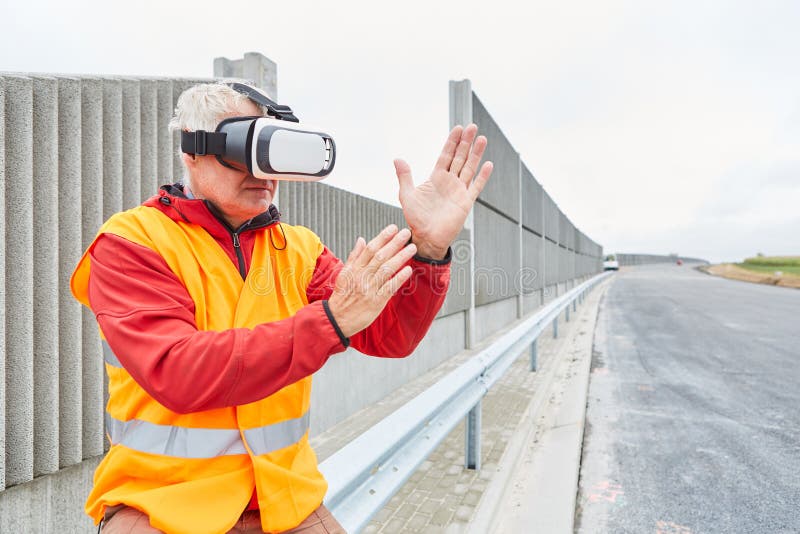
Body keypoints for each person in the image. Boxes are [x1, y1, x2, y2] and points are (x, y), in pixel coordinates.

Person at [71, 82, 493, 534]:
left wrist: (429, 251)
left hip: (282, 502)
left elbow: (391, 335)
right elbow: (176, 370)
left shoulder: (298, 250)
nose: (265, 171)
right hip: (161, 505)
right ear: (192, 150)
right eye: (247, 149)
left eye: (276, 151)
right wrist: (329, 321)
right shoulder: (132, 243)